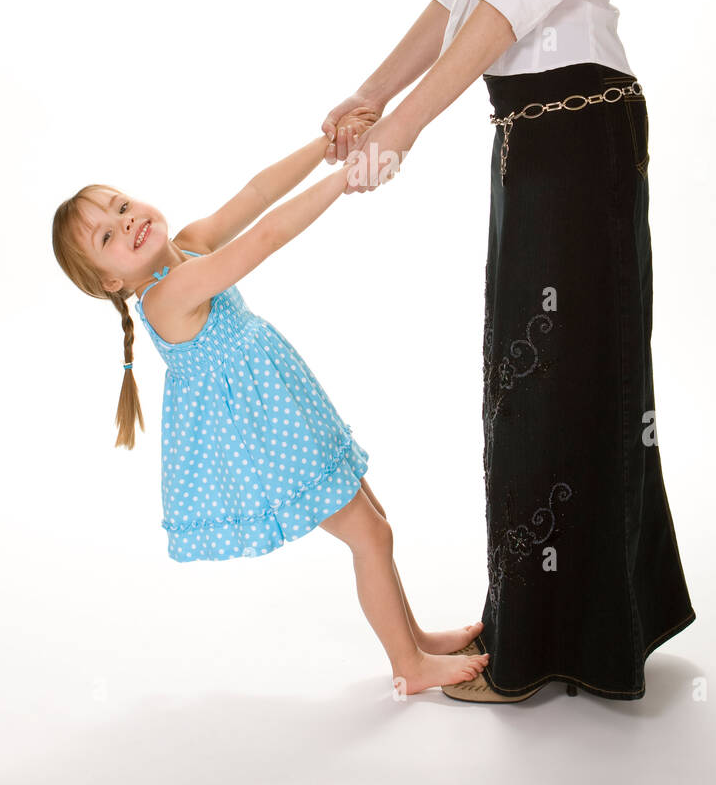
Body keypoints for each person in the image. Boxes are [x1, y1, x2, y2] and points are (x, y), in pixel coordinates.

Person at [321, 0, 696, 702]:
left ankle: (541, 650)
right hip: (531, 130)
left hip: (579, 121)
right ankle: (534, 611)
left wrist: (409, 126)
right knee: (525, 380)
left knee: (564, 381)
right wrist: (371, 91)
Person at [50, 136, 489, 696]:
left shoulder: (186, 246)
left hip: (285, 408)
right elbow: (265, 237)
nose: (127, 220)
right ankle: (409, 663)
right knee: (370, 535)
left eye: (122, 205)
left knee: (374, 521)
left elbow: (258, 193)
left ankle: (414, 637)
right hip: (267, 440)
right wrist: (346, 178)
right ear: (111, 283)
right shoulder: (169, 294)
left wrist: (327, 148)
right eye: (107, 235)